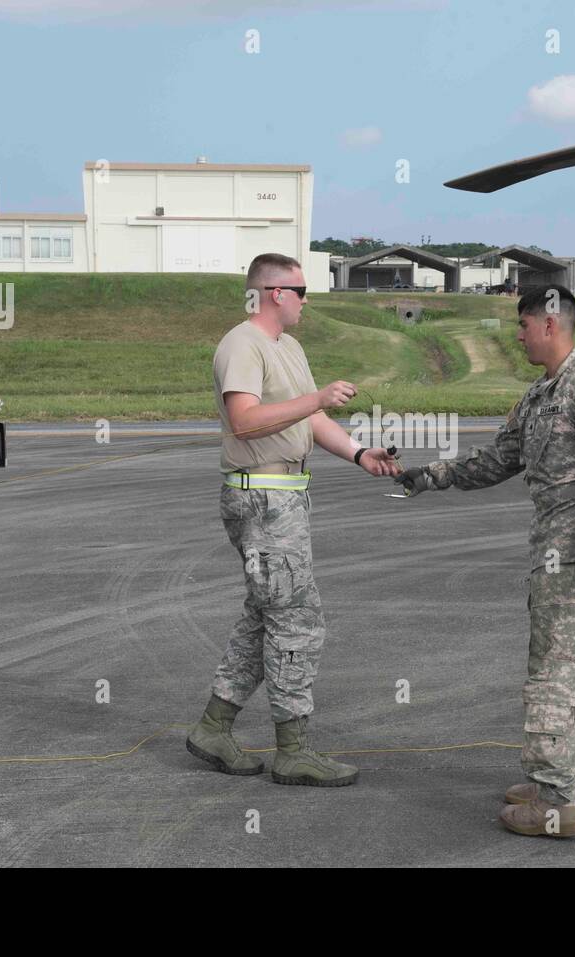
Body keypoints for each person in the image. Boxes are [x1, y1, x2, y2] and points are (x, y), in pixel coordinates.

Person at [394, 284, 575, 836]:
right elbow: (500, 458)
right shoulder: (541, 395)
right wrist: (431, 476)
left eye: (522, 325)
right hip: (555, 547)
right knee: (569, 663)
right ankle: (573, 777)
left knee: (551, 670)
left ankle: (555, 804)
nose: (517, 335)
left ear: (549, 324)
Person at [186, 252, 400, 787]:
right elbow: (244, 420)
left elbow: (313, 418)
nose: (307, 300)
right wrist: (314, 398)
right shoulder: (242, 345)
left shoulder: (289, 347)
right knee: (296, 621)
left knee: (265, 617)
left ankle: (214, 727)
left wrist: (359, 453)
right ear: (275, 293)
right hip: (262, 498)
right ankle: (293, 750)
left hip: (284, 495)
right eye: (301, 291)